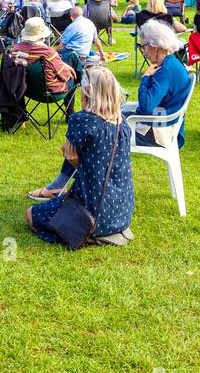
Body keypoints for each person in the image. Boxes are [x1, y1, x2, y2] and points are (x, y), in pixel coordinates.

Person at [25, 66, 135, 247]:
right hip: (122, 213)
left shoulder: (82, 120)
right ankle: (100, 230)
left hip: (92, 212)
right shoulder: (122, 123)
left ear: (87, 92)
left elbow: (72, 158)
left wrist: (74, 162)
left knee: (31, 214)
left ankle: (89, 233)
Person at [130, 19, 193, 148]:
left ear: (155, 46)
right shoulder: (172, 64)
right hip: (166, 124)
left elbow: (146, 106)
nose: (144, 52)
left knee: (109, 129)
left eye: (143, 47)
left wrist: (145, 78)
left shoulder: (165, 71)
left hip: (160, 132)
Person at [10, 17, 76, 94]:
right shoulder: (48, 52)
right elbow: (64, 75)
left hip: (25, 89)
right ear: (43, 36)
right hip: (50, 92)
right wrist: (67, 69)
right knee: (73, 75)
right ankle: (72, 102)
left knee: (70, 57)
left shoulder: (16, 49)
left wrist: (63, 65)